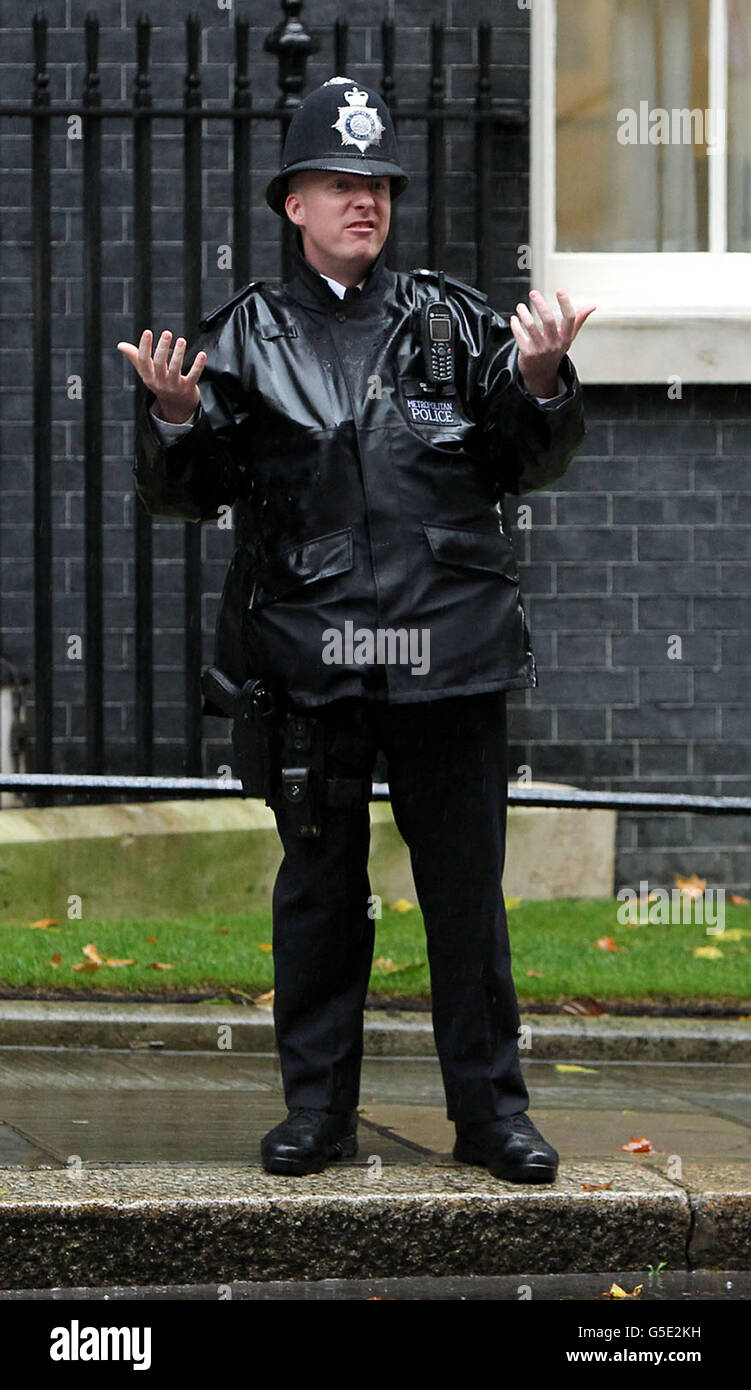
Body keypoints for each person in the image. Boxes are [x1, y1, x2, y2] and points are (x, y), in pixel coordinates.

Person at [119, 76, 594, 1183]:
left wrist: (538, 380)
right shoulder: (246, 333)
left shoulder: (456, 320)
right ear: (295, 203)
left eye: (377, 184)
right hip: (312, 663)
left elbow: (529, 457)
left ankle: (491, 1118)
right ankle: (318, 1112)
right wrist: (177, 419)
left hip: (449, 654)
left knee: (466, 898)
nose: (363, 202)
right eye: (339, 184)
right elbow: (188, 497)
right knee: (321, 897)